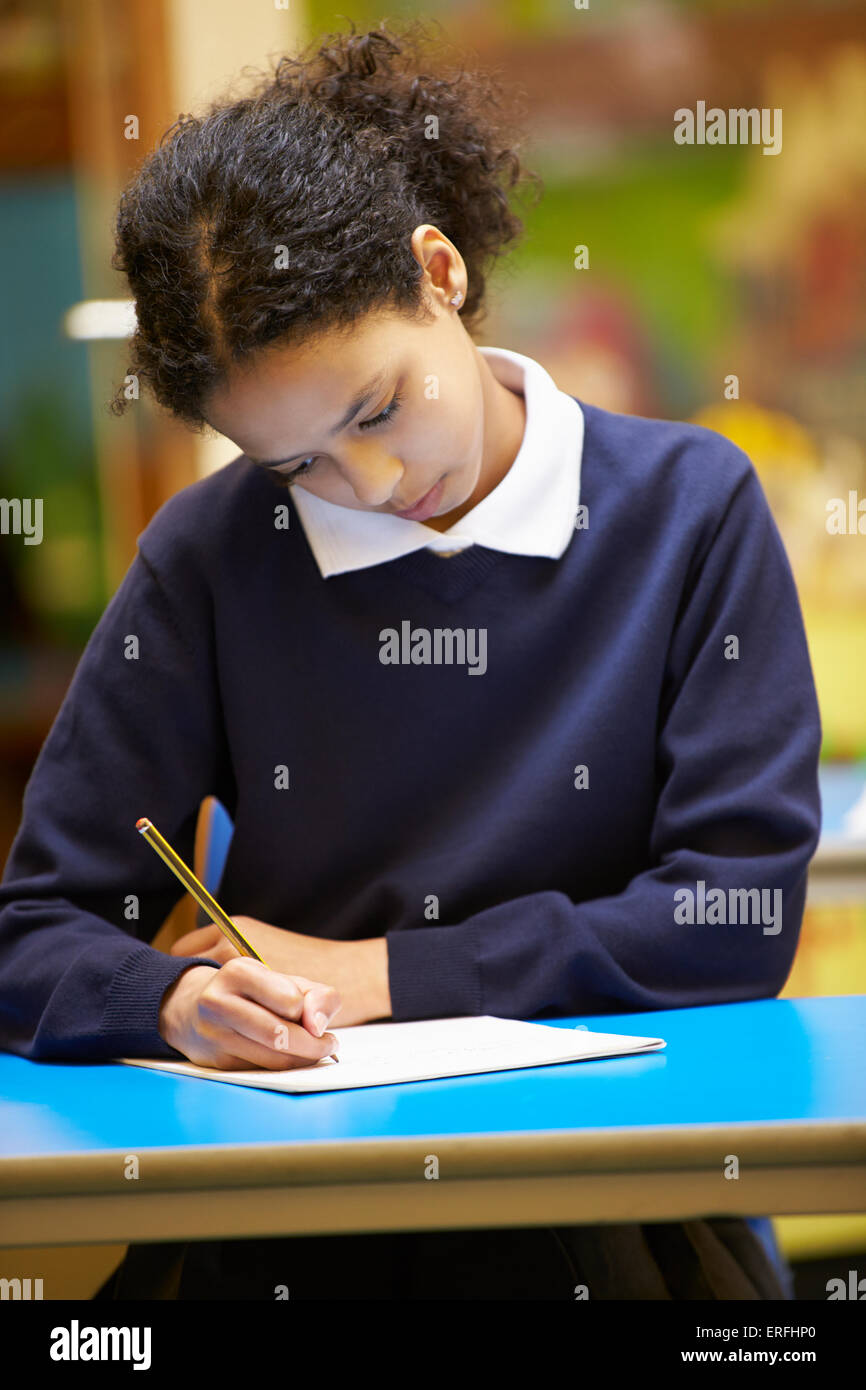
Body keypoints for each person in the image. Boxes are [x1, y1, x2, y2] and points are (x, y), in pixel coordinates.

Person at [0, 21, 820, 1300]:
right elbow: (37, 933)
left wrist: (379, 974)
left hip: (618, 1204)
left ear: (436, 271)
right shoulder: (210, 558)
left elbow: (731, 917)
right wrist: (166, 1001)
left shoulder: (685, 507)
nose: (371, 484)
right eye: (295, 462)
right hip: (297, 1215)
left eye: (376, 409)